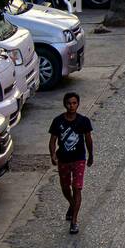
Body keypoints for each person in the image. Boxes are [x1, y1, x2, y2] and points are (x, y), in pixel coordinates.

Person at [49, 92, 93, 235]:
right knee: (65, 188)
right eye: (69, 103)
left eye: (74, 103)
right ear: (65, 104)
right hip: (64, 160)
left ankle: (74, 221)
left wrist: (91, 155)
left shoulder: (84, 121)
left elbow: (88, 139)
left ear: (78, 104)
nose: (72, 106)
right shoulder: (58, 121)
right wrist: (53, 155)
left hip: (79, 159)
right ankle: (73, 205)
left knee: (77, 188)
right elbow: (52, 141)